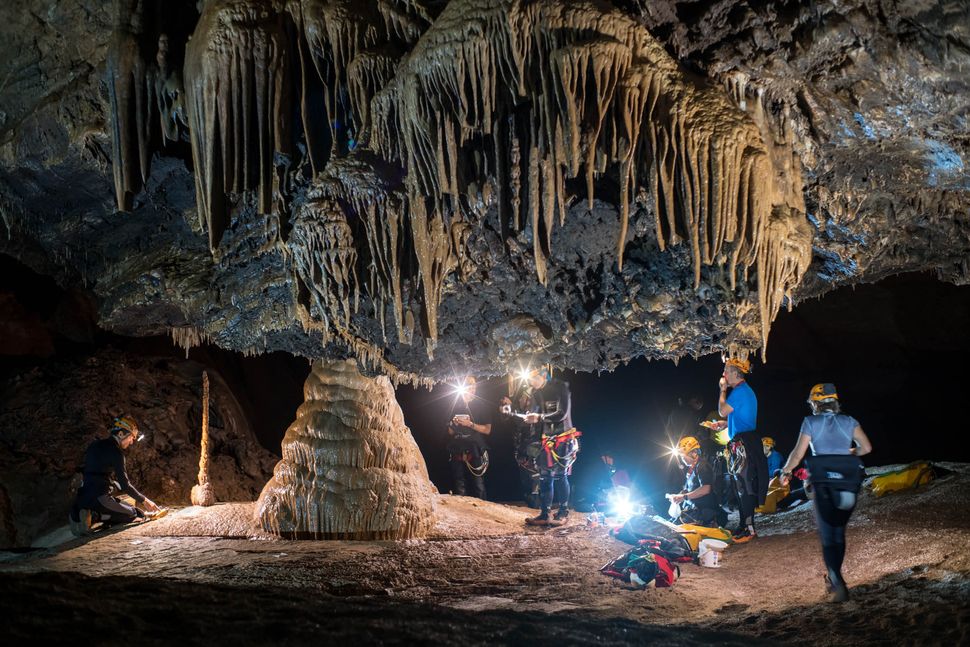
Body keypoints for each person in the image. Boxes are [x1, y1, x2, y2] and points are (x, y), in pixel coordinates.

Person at [780, 383, 872, 603]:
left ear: (816, 403)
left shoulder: (810, 422)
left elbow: (797, 454)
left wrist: (786, 471)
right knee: (839, 532)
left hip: (823, 484)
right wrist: (848, 451)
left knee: (828, 534)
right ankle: (835, 578)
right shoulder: (849, 421)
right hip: (848, 484)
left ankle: (837, 581)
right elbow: (866, 448)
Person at [70, 416, 159, 535]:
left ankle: (84, 511)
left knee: (128, 506)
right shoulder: (116, 453)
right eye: (132, 437)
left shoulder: (94, 445)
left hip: (83, 495)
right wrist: (145, 501)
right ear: (121, 434)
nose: (132, 442)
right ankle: (95, 516)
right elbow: (125, 485)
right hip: (99, 496)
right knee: (133, 513)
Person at [713, 357, 767, 542]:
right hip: (744, 439)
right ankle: (744, 525)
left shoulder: (739, 391)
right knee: (740, 485)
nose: (724, 374)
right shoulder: (743, 391)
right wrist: (724, 424)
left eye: (726, 371)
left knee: (744, 485)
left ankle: (750, 528)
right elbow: (739, 417)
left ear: (736, 373)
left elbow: (722, 410)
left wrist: (722, 390)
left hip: (744, 442)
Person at [523, 367, 579, 526]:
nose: (530, 382)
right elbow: (535, 415)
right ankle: (545, 513)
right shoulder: (535, 393)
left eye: (533, 378)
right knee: (544, 476)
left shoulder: (560, 387)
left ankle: (563, 511)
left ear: (543, 375)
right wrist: (530, 418)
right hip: (546, 439)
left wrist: (539, 417)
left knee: (560, 475)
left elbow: (562, 413)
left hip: (563, 438)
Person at [447, 376, 492, 499]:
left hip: (475, 448)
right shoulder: (454, 404)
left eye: (474, 386)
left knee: (478, 483)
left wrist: (470, 424)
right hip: (457, 447)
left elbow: (487, 430)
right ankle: (462, 511)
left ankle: (483, 509)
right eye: (469, 385)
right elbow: (449, 431)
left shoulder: (481, 405)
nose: (472, 388)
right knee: (459, 483)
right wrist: (454, 424)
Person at [499, 384, 540, 507]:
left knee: (534, 485)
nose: (520, 399)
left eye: (522, 397)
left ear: (529, 400)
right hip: (523, 455)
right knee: (526, 485)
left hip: (533, 455)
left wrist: (511, 408)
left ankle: (537, 508)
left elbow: (522, 421)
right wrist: (505, 409)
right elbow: (508, 420)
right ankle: (533, 505)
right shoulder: (522, 412)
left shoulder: (534, 414)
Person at [668, 436, 719, 527]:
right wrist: (679, 496)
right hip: (693, 509)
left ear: (694, 453)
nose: (682, 460)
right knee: (670, 523)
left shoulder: (702, 467)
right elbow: (691, 488)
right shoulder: (692, 469)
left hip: (703, 511)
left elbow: (705, 489)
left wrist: (684, 497)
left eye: (684, 457)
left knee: (676, 528)